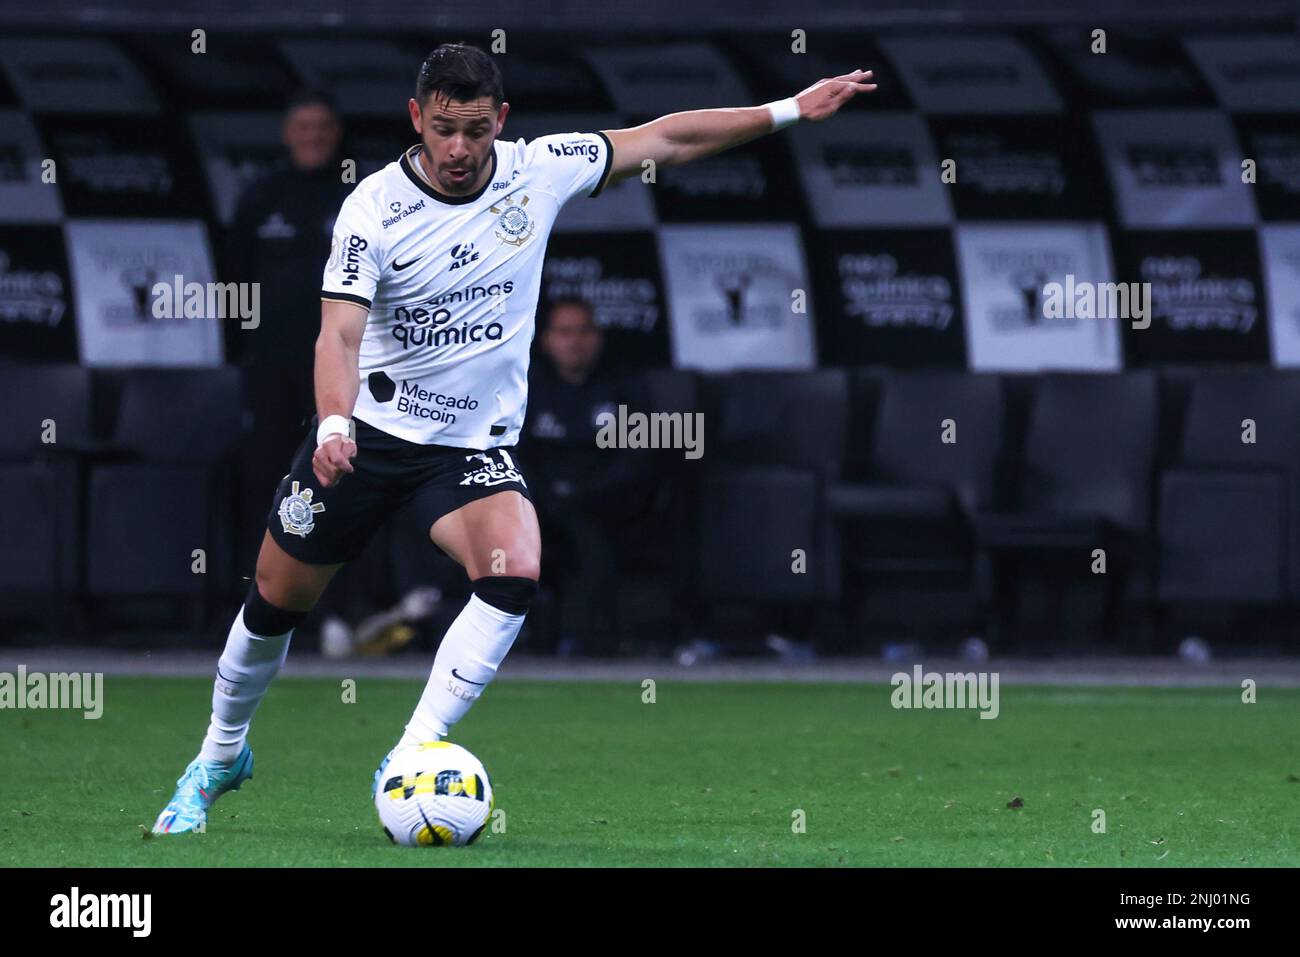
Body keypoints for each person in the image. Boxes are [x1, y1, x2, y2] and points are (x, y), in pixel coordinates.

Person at [152, 41, 876, 834]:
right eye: (442, 129)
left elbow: (666, 137)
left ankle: (412, 749)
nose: (459, 149)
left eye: (474, 129)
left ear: (501, 120)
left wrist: (787, 109)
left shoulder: (540, 170)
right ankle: (219, 754)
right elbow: (339, 338)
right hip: (366, 434)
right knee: (274, 603)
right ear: (415, 120)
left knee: (514, 566)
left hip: (468, 448)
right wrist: (331, 422)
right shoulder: (373, 207)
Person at [229, 89, 351, 570]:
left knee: (338, 475)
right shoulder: (260, 196)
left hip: (340, 365)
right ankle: (253, 590)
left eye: (321, 127)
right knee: (266, 474)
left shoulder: (357, 193)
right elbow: (233, 279)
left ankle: (341, 606)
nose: (313, 137)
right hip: (270, 366)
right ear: (287, 134)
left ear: (335, 134)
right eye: (303, 127)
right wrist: (246, 351)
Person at [522, 297, 651, 656]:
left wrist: (584, 495)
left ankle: (601, 641)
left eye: (584, 330)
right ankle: (531, 637)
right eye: (564, 332)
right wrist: (544, 496)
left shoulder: (626, 384)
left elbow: (638, 460)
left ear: (598, 337)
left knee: (588, 528)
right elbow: (515, 451)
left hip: (605, 502)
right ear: (547, 339)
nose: (574, 341)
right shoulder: (527, 383)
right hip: (543, 500)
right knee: (511, 524)